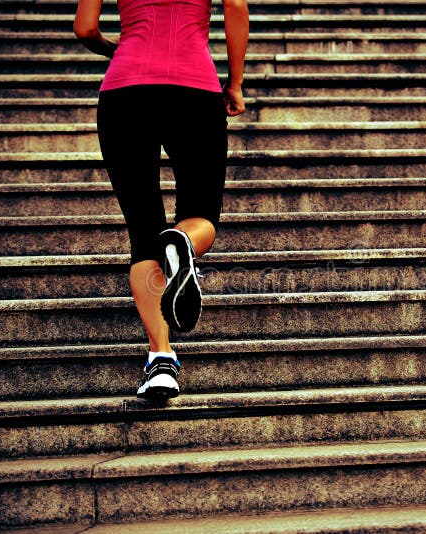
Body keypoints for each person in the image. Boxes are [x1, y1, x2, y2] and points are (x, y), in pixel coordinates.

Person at [74, 0, 248, 399]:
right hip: (194, 90)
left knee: (143, 231)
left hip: (125, 93)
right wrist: (235, 83)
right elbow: (236, 6)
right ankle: (183, 244)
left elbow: (85, 28)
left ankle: (161, 362)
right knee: (201, 213)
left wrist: (112, 46)